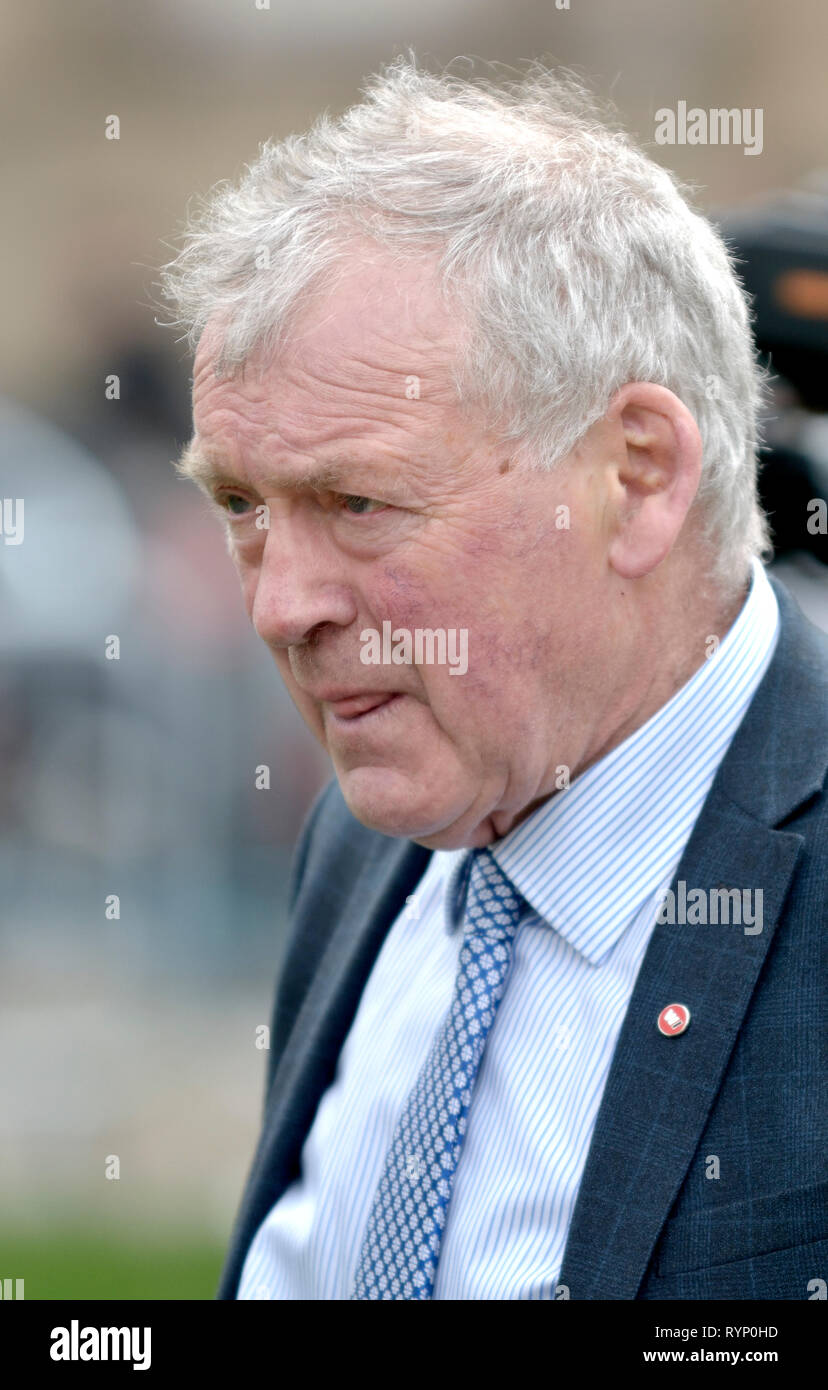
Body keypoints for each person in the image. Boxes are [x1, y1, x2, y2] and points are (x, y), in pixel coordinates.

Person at [161, 57, 828, 1299]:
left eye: (357, 500)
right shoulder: (380, 826)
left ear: (634, 477)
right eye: (243, 504)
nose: (277, 604)